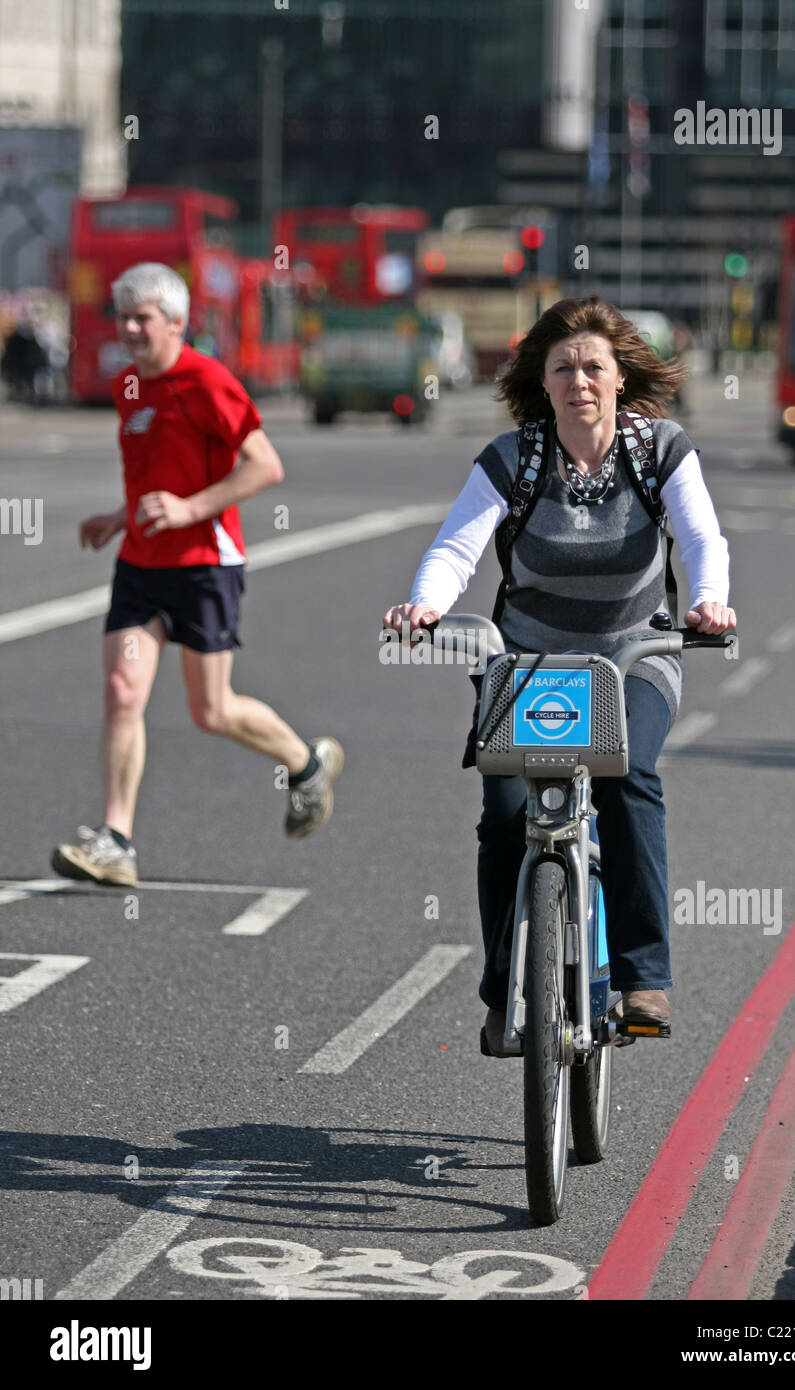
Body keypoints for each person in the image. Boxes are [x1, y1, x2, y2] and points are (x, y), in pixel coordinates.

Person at [383, 296, 735, 1053]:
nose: (580, 381)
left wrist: (709, 601)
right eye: (564, 368)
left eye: (594, 367)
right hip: (527, 660)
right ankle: (503, 987)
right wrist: (425, 605)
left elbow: (702, 536)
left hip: (633, 656)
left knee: (629, 778)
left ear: (619, 377)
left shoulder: (660, 450)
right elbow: (456, 549)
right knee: (506, 814)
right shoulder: (513, 459)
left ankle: (643, 977)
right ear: (542, 382)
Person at [52, 262, 343, 887]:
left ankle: (305, 764)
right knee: (123, 692)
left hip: (205, 565)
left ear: (176, 322)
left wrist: (189, 509)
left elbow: (265, 466)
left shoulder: (208, 381)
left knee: (211, 711)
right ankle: (116, 840)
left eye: (142, 318)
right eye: (122, 316)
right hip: (140, 565)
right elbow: (155, 473)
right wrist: (119, 517)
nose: (129, 328)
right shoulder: (129, 386)